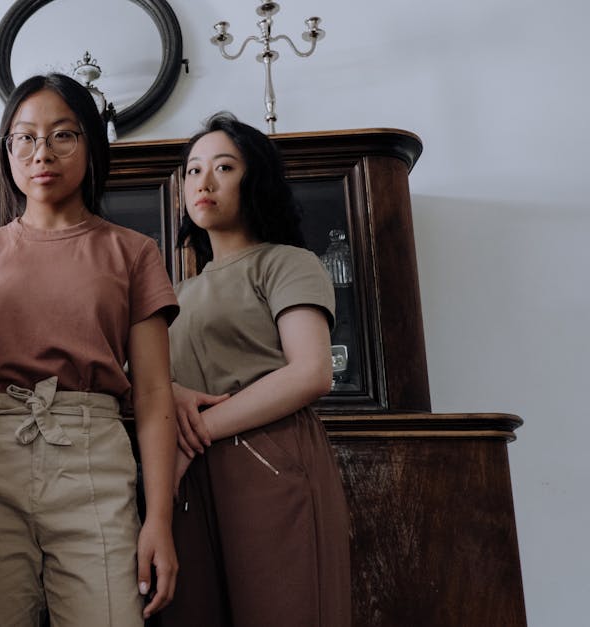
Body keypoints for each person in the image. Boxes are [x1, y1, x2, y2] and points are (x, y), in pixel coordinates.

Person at [0, 73, 180, 627]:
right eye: (24, 137)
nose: (41, 152)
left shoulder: (134, 253)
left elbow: (156, 391)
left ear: (91, 145)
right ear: (8, 150)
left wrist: (157, 518)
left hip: (95, 457)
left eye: (63, 135)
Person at [163, 112, 350, 627]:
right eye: (193, 170)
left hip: (269, 456)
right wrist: (174, 395)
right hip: (188, 474)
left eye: (223, 166)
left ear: (255, 179)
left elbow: (311, 371)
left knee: (285, 607)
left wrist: (196, 430)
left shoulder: (286, 263)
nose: (203, 181)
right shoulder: (174, 294)